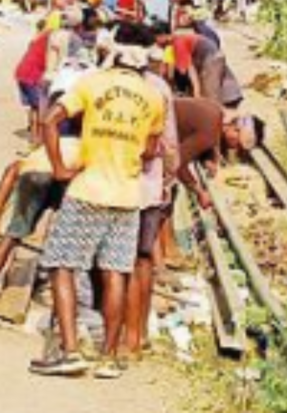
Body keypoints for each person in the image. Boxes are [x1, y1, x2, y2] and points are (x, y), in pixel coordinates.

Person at [33, 24, 166, 380]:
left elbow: (50, 119)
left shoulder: (92, 83)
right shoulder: (154, 97)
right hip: (127, 196)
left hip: (88, 189)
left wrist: (60, 167)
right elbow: (152, 150)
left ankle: (71, 350)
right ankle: (109, 356)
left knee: (62, 265)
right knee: (116, 273)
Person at [0, 139, 82, 319]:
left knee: (12, 236)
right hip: (69, 177)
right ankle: (68, 308)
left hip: (33, 177)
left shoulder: (37, 154)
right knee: (71, 240)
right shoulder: (85, 146)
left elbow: (11, 170)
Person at [124, 47, 179, 357]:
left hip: (123, 186)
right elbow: (165, 143)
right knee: (142, 260)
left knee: (119, 265)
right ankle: (138, 336)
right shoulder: (159, 89)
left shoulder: (106, 85)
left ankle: (120, 339)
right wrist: (168, 180)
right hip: (151, 185)